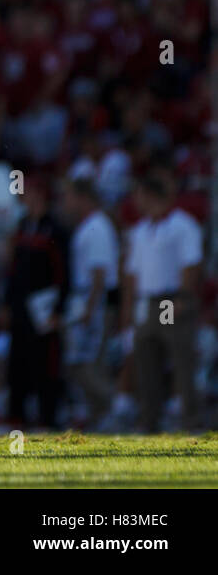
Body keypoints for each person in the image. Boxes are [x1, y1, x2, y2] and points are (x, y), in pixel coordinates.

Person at [123, 170, 203, 431]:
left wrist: (183, 296)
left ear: (150, 195)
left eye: (140, 196)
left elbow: (190, 264)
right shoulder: (140, 231)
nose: (136, 202)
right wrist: (129, 307)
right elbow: (133, 273)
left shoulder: (182, 225)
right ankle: (150, 421)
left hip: (170, 299)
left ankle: (189, 421)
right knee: (146, 361)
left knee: (179, 358)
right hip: (147, 301)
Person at [1, 177, 69, 429]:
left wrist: (58, 308)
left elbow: (64, 273)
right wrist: (6, 303)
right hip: (20, 306)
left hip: (44, 307)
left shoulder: (56, 229)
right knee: (17, 362)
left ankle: (47, 418)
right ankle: (16, 417)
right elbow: (12, 270)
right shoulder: (21, 227)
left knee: (46, 362)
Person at [59, 176, 118, 428]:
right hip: (84, 300)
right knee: (77, 364)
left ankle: (115, 408)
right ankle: (99, 416)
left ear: (83, 198)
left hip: (94, 301)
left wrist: (90, 309)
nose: (65, 202)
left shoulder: (97, 227)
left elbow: (99, 274)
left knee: (86, 364)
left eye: (69, 196)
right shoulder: (87, 226)